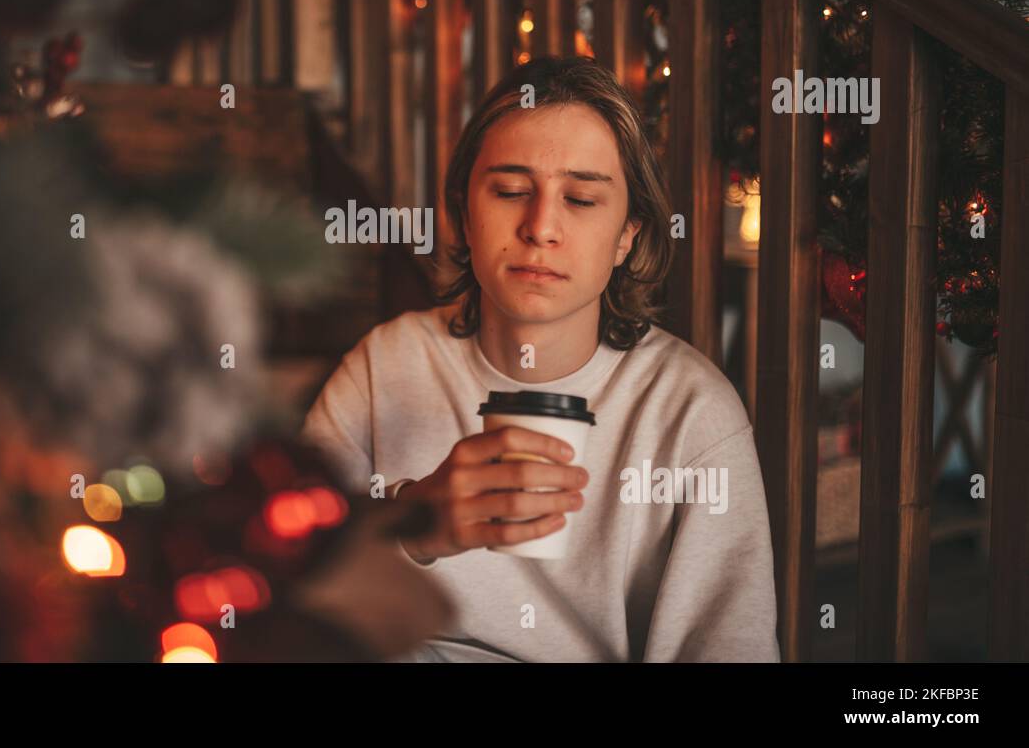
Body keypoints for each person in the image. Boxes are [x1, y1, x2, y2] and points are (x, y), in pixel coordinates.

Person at [301, 55, 780, 662]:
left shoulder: (689, 412)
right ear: (465, 212)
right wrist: (414, 524)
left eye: (581, 199)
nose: (541, 227)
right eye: (510, 191)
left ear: (627, 235)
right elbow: (291, 588)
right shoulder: (386, 363)